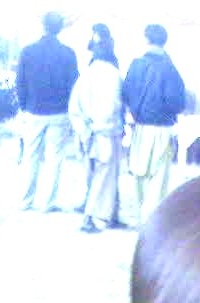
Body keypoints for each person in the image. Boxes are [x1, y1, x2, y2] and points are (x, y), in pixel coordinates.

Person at [121, 23, 185, 225]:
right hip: (162, 129)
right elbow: (177, 102)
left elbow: (125, 94)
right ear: (165, 42)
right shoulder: (170, 68)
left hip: (139, 127)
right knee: (158, 178)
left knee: (138, 173)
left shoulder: (135, 64)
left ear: (146, 40)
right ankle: (151, 221)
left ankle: (137, 216)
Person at [15, 12, 78, 213]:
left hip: (34, 111)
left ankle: (26, 201)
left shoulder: (27, 51)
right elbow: (74, 84)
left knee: (30, 157)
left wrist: (24, 107)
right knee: (54, 159)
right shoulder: (68, 53)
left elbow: (20, 83)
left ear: (42, 27)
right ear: (60, 29)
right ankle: (48, 203)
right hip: (60, 112)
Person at [69, 25, 123, 233]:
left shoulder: (86, 75)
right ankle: (93, 218)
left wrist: (83, 131)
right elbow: (113, 107)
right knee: (105, 179)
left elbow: (74, 107)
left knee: (94, 177)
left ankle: (105, 215)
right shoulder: (113, 75)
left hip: (88, 134)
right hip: (106, 134)